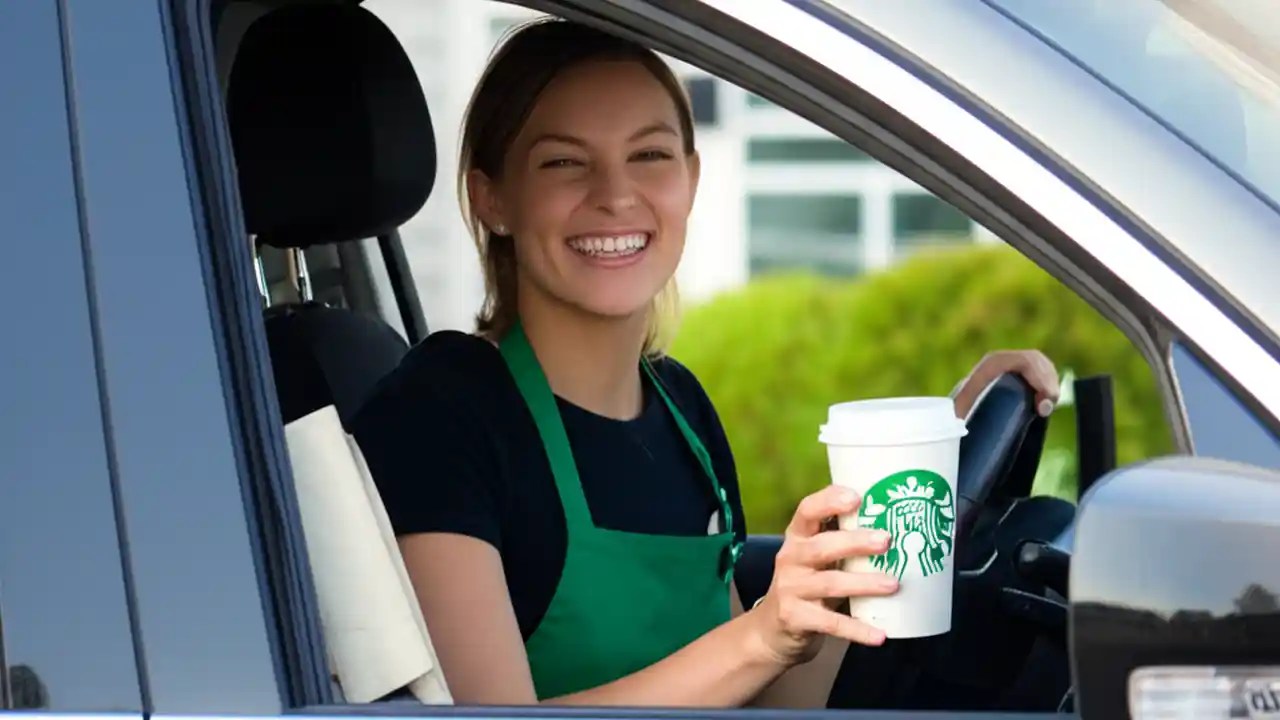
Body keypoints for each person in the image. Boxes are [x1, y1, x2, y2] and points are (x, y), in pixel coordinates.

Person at [351, 18, 1060, 709]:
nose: (616, 195)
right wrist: (758, 636)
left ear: (689, 179)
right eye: (565, 162)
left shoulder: (681, 409)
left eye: (650, 155)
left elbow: (768, 704)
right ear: (493, 198)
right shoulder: (440, 415)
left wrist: (863, 548)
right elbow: (484, 716)